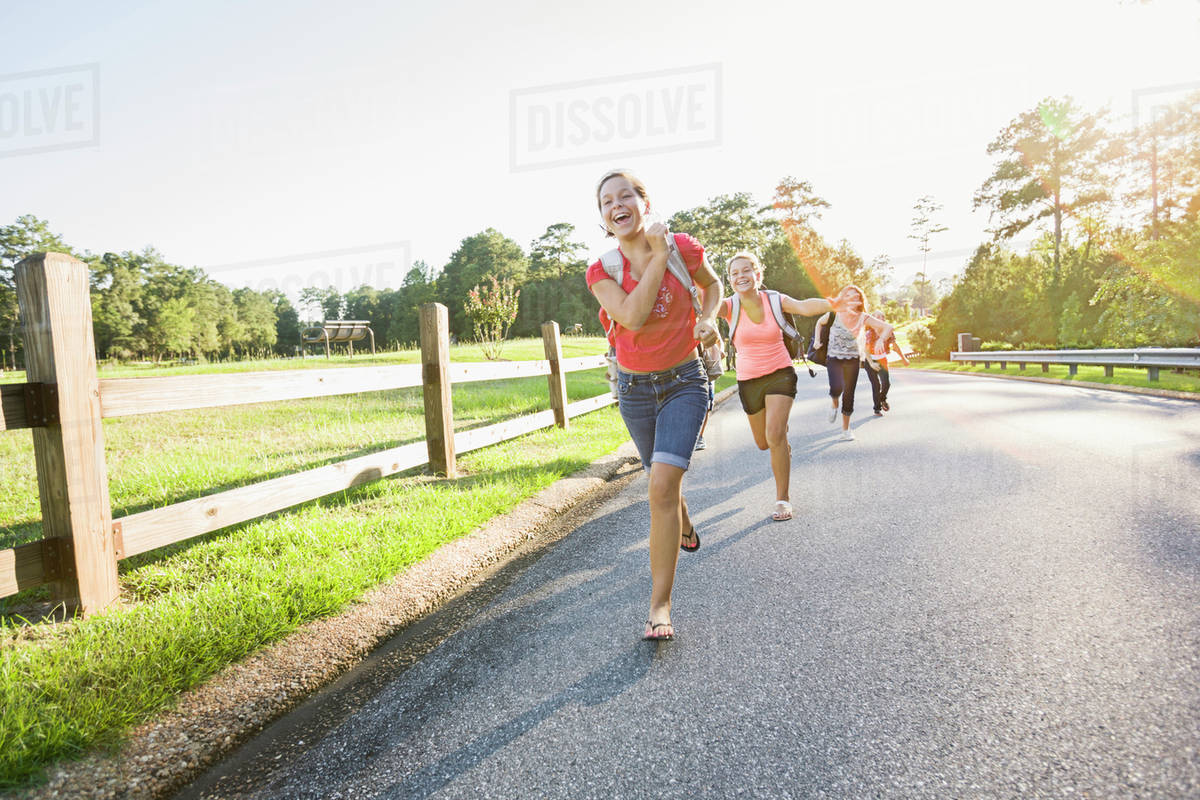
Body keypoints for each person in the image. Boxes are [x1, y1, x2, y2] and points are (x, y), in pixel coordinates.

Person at [586, 169, 722, 642]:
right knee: (660, 481)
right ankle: (682, 520)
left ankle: (659, 606)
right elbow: (632, 316)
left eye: (627, 196)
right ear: (603, 217)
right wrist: (659, 257)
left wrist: (706, 319)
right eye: (607, 201)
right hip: (635, 390)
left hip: (685, 379)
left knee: (661, 486)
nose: (617, 205)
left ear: (645, 203)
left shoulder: (684, 246)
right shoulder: (601, 271)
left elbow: (713, 286)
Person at [718, 252, 835, 521]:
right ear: (730, 281)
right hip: (748, 380)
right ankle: (780, 438)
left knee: (774, 435)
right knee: (763, 443)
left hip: (780, 372)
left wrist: (834, 302)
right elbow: (703, 305)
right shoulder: (728, 306)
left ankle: (783, 499)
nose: (741, 277)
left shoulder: (775, 300)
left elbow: (805, 307)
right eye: (735, 273)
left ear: (757, 274)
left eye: (746, 270)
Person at [813, 285, 893, 441]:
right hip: (834, 358)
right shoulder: (834, 314)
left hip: (853, 360)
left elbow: (888, 327)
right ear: (843, 298)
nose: (853, 299)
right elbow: (819, 323)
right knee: (836, 389)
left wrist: (881, 340)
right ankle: (834, 404)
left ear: (860, 300)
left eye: (856, 296)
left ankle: (845, 430)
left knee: (849, 393)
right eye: (849, 296)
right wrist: (817, 340)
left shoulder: (863, 317)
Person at [863, 314, 910, 415]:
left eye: (882, 317)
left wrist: (903, 358)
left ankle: (882, 399)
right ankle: (877, 409)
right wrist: (871, 363)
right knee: (876, 385)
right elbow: (865, 349)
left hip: (882, 360)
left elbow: (895, 346)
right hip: (870, 361)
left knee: (886, 384)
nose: (881, 319)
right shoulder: (869, 333)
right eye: (878, 317)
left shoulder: (889, 333)